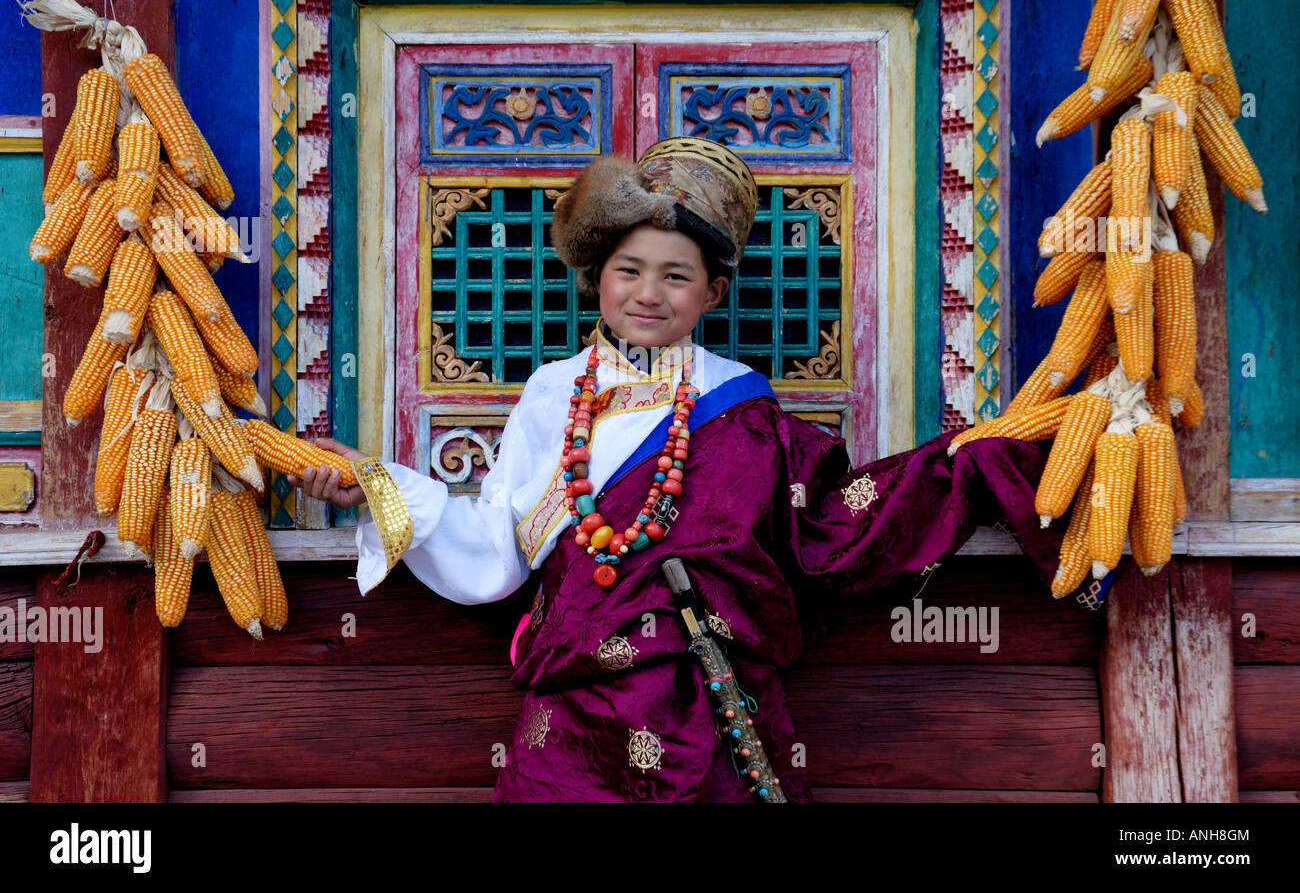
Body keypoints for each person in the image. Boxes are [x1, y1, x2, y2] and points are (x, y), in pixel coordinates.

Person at [290, 136, 1100, 802]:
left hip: (713, 701)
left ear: (712, 292)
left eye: (676, 275)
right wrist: (375, 481)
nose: (649, 293)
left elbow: (823, 531)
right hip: (577, 706)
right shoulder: (551, 394)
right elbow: (497, 544)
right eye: (628, 270)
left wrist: (973, 467)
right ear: (596, 281)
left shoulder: (740, 404)